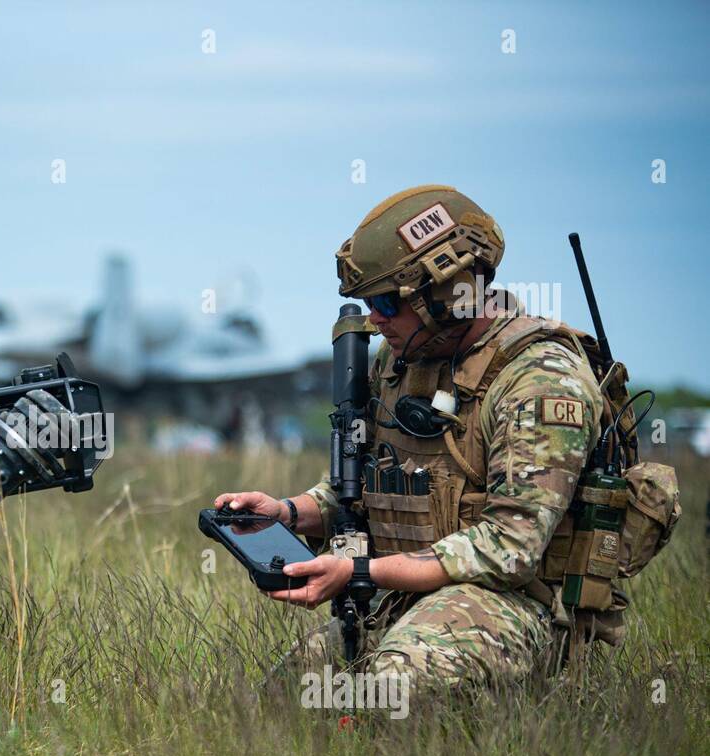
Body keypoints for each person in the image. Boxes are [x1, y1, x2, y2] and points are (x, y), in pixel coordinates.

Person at [215, 185, 608, 690]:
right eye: (366, 303)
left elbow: (511, 546)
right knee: (291, 687)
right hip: (409, 594)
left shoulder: (540, 379)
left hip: (520, 606)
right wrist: (286, 512)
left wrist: (362, 571)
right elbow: (362, 487)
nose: (375, 320)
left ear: (446, 294)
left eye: (385, 302)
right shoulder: (401, 364)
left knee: (398, 682)